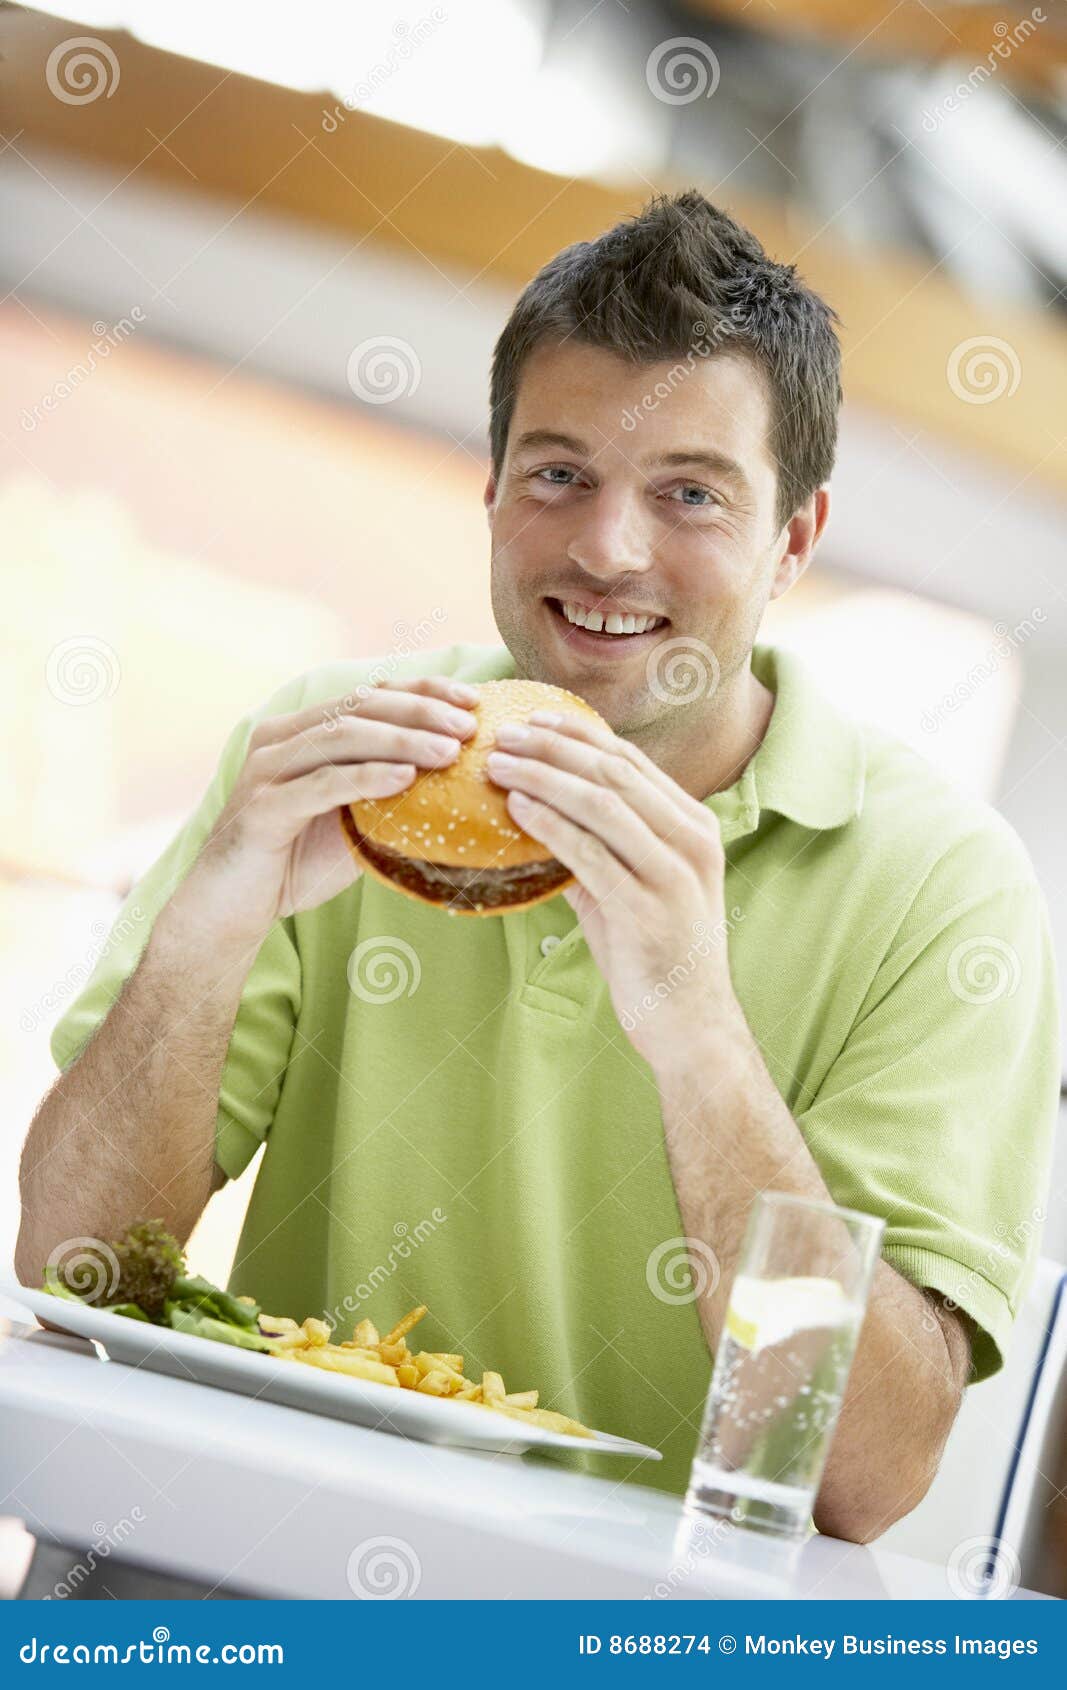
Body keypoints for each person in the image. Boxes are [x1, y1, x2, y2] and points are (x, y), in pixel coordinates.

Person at [18, 190, 1059, 1541]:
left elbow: (861, 1474)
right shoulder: (328, 757)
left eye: (690, 492)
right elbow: (78, 1271)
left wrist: (695, 1028)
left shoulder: (948, 889)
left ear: (794, 539)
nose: (609, 549)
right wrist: (215, 916)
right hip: (233, 1571)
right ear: (494, 491)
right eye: (561, 474)